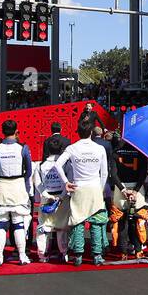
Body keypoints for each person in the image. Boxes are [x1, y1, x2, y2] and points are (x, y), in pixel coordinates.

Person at [54, 114, 110, 266]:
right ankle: (97, 255)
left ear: (77, 133)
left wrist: (66, 182)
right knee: (97, 223)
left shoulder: (72, 148)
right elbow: (104, 172)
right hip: (94, 188)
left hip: (78, 188)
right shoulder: (99, 148)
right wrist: (101, 189)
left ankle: (78, 255)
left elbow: (57, 165)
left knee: (77, 222)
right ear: (91, 132)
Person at [0, 119, 33, 266]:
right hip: (18, 187)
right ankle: (22, 256)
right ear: (16, 131)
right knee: (19, 223)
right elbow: (29, 171)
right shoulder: (23, 148)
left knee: (0, 224)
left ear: (2, 132)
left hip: (1, 187)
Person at [31, 133, 70, 262]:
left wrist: (46, 196)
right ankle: (63, 253)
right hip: (62, 198)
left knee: (43, 227)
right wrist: (61, 196)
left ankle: (42, 255)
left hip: (46, 198)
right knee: (61, 227)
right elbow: (68, 181)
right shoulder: (65, 164)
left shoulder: (40, 165)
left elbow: (37, 183)